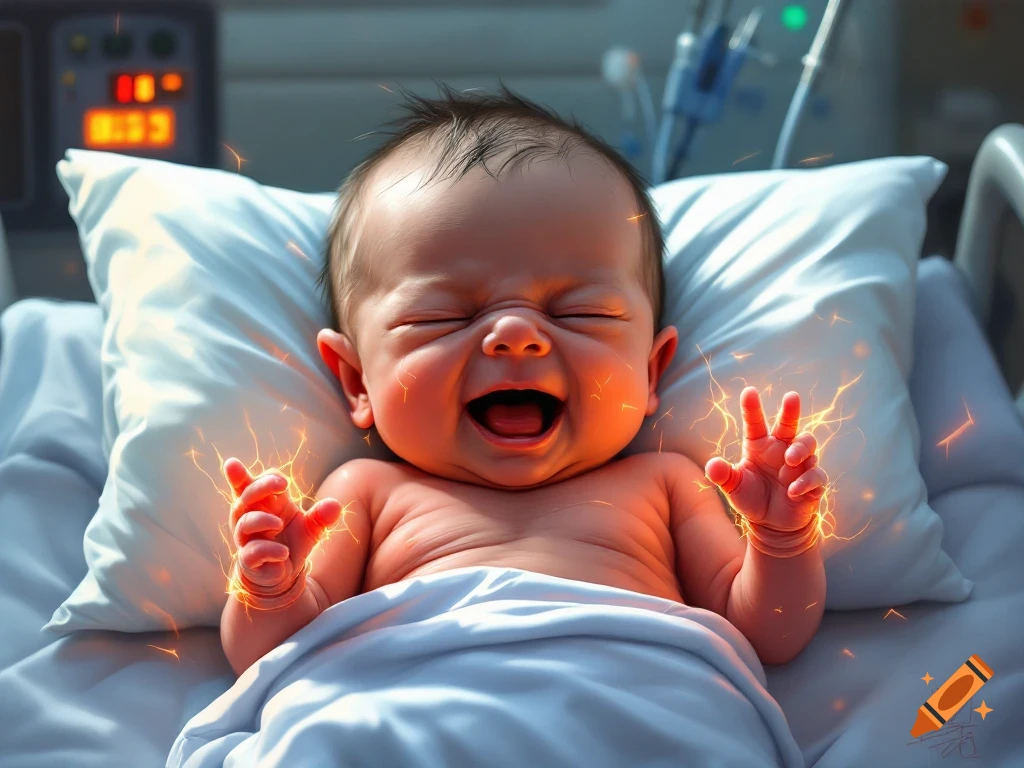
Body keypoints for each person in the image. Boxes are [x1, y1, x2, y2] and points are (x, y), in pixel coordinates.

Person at [219, 85, 827, 675]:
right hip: (407, 710)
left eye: (579, 312)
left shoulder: (665, 485)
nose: (514, 333)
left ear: (649, 373)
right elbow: (267, 658)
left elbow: (770, 635)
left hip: (637, 705)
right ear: (357, 380)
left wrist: (780, 541)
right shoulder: (364, 493)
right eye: (442, 316)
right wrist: (271, 590)